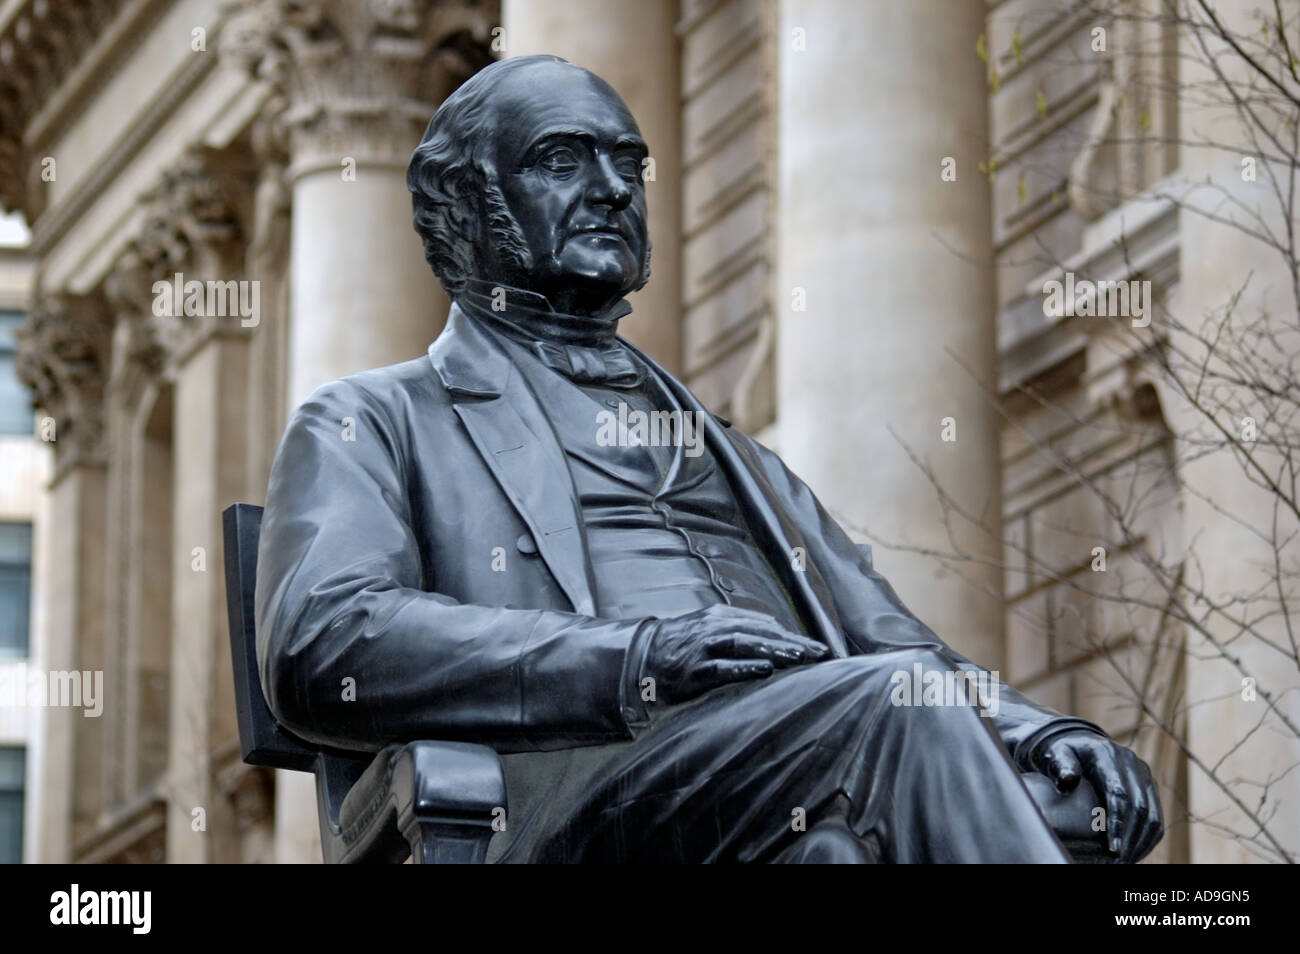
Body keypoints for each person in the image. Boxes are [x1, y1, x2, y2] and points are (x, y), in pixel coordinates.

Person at [255, 55, 1163, 863]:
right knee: (891, 715)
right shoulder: (374, 416)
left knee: (1035, 802)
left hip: (793, 755)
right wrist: (640, 657)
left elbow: (893, 639)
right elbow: (324, 639)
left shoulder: (728, 453)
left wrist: (1041, 730)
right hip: (568, 788)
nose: (613, 188)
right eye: (564, 160)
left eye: (629, 163)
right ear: (463, 200)